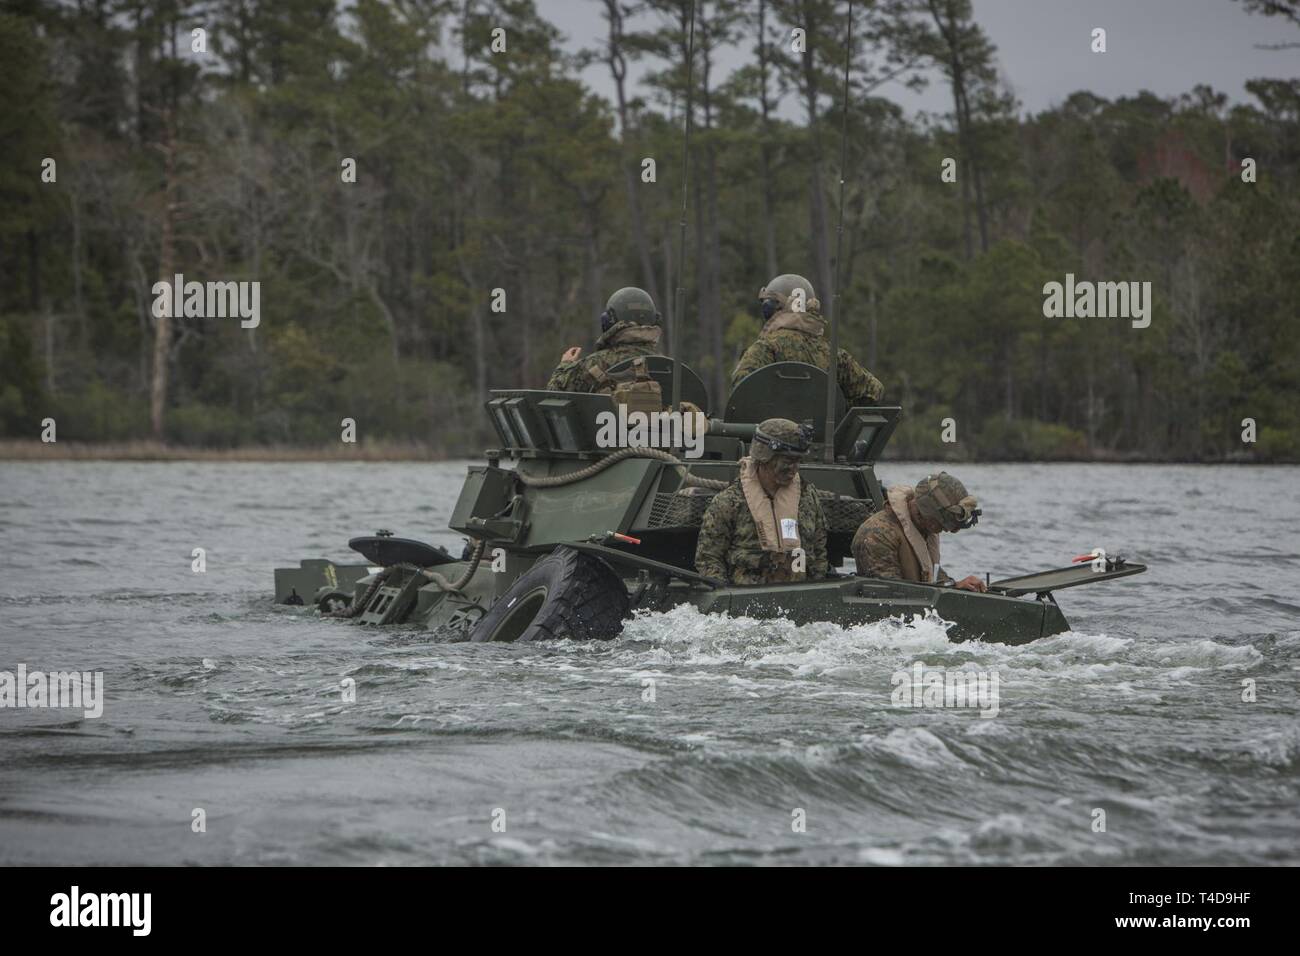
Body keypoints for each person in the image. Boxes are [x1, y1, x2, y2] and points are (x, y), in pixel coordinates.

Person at [694, 418, 828, 585]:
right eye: (787, 461)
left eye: (798, 461)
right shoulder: (728, 503)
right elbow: (708, 558)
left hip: (800, 594)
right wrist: (724, 595)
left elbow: (819, 553)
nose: (794, 469)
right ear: (765, 458)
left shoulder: (808, 497)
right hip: (745, 598)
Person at [730, 273, 884, 405]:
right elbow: (874, 391)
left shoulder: (766, 348)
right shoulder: (835, 355)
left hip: (773, 438)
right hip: (823, 438)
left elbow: (741, 390)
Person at [851, 471, 987, 591]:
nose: (944, 530)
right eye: (941, 524)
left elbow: (932, 576)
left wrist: (956, 585)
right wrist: (952, 587)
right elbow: (889, 593)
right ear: (927, 514)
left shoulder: (925, 529)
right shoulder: (878, 534)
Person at [546, 287, 662, 393]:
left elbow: (554, 392)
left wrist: (565, 365)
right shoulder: (667, 365)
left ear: (608, 322)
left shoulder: (595, 363)